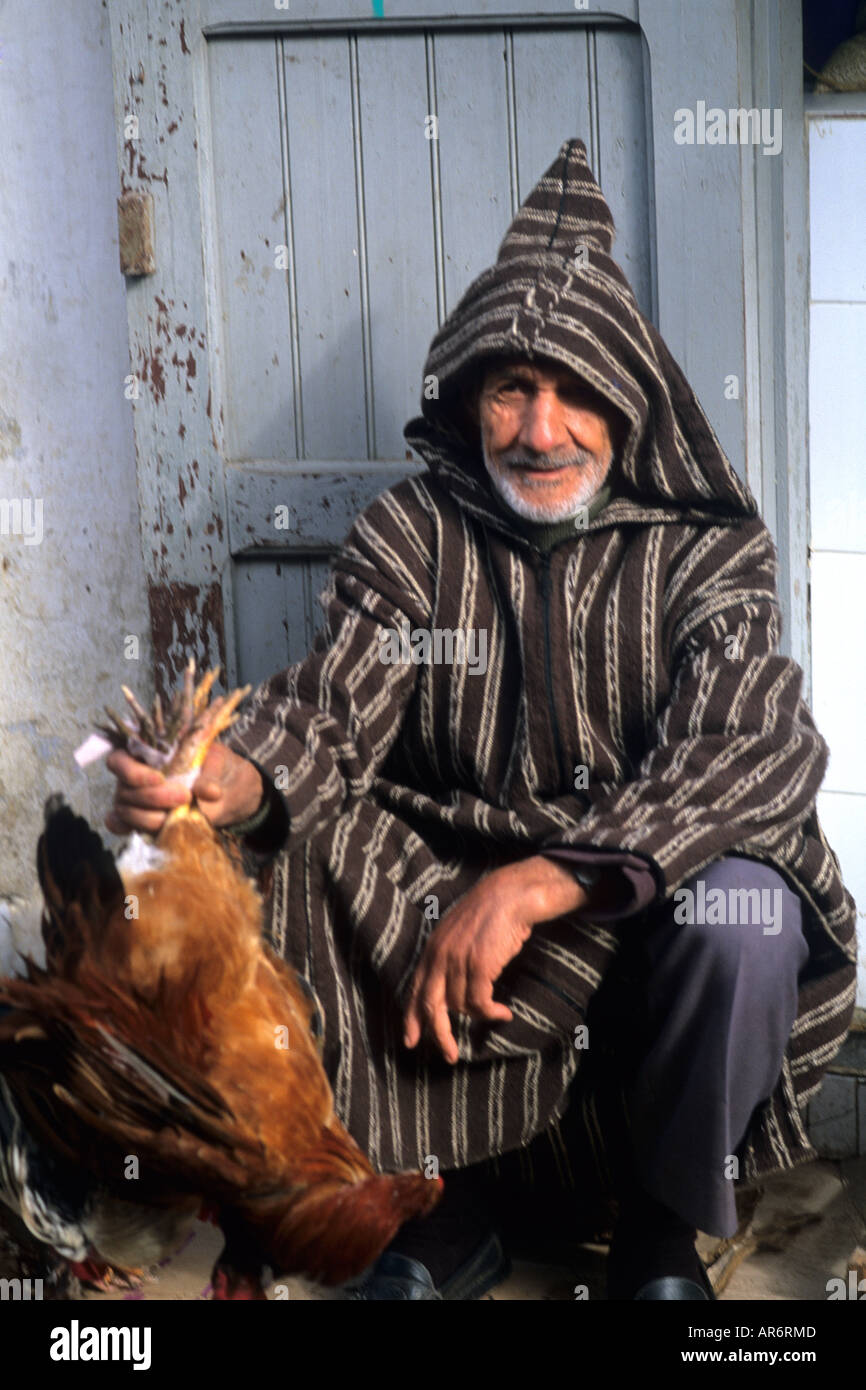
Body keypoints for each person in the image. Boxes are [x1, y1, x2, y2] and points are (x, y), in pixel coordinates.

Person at [107, 139, 856, 1300]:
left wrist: (538, 882)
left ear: (627, 404)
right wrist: (230, 780)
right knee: (272, 846)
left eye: (572, 392)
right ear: (467, 404)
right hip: (434, 918)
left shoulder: (707, 554)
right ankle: (432, 1218)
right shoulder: (414, 536)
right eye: (510, 388)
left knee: (745, 906)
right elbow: (331, 713)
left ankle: (660, 1241)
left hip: (616, 908)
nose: (539, 429)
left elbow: (746, 747)